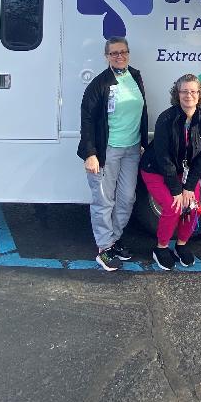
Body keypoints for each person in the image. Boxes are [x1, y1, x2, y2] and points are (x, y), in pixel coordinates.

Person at [78, 36, 149, 271]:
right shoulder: (99, 84)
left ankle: (114, 240)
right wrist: (90, 153)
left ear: (128, 53)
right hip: (106, 150)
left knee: (127, 198)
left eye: (123, 52)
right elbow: (87, 120)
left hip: (132, 149)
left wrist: (142, 141)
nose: (119, 56)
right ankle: (104, 248)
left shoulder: (135, 76)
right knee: (103, 200)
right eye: (114, 53)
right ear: (106, 56)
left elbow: (141, 111)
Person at [140, 73, 201, 270]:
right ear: (177, 94)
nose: (188, 95)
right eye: (184, 91)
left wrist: (189, 187)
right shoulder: (166, 118)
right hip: (156, 169)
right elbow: (163, 156)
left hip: (184, 172)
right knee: (174, 206)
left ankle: (181, 245)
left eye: (193, 91)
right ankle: (161, 247)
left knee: (193, 206)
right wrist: (176, 190)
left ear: (200, 94)